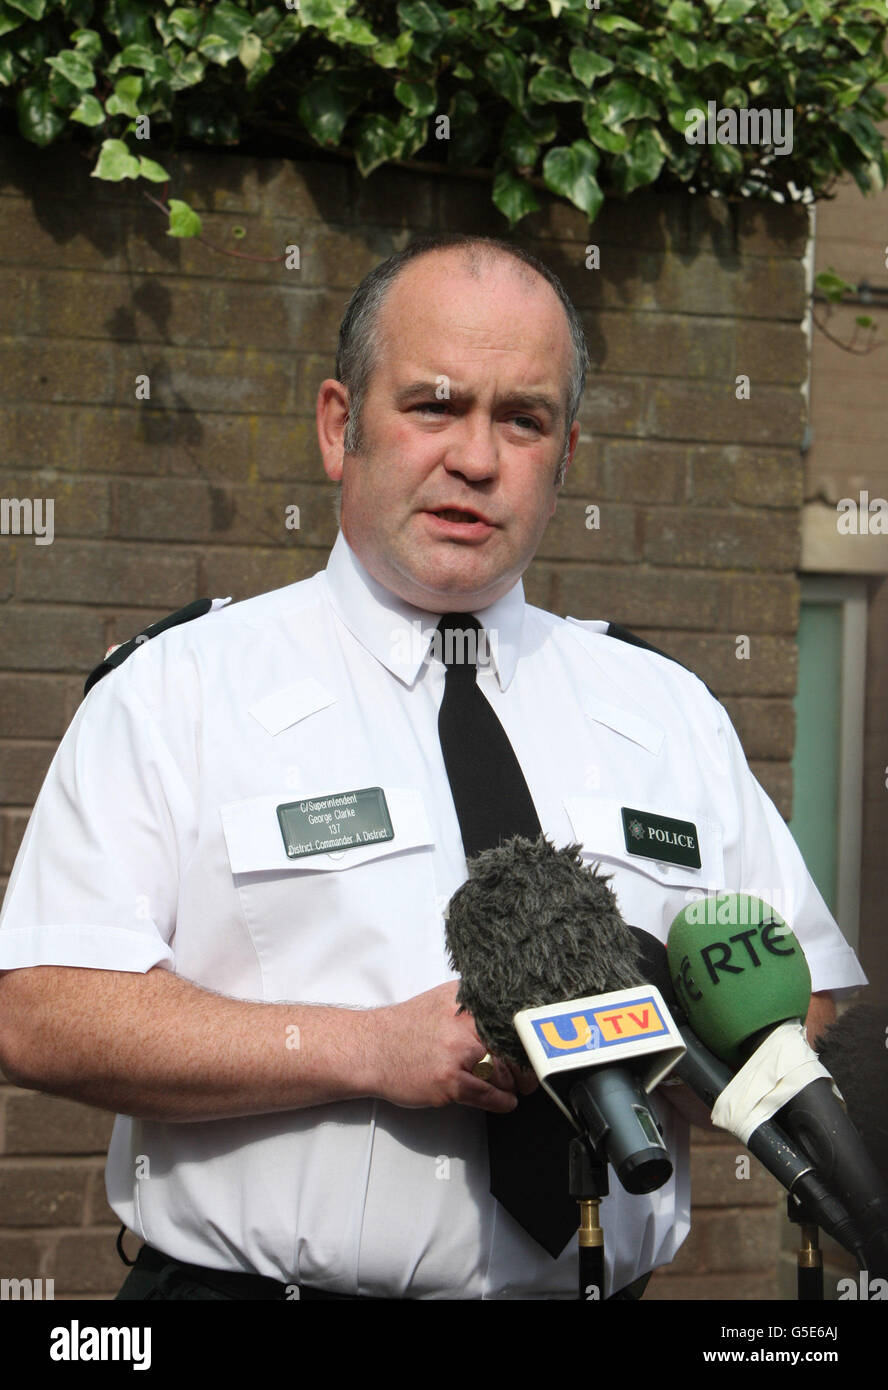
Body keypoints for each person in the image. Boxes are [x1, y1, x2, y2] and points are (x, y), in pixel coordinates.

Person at [0, 233, 866, 1301]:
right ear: (339, 426)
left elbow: (804, 996)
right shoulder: (179, 689)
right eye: (435, 405)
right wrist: (369, 1048)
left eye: (523, 418)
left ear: (567, 456)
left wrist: (657, 1038)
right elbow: (43, 1009)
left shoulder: (667, 707)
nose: (476, 456)